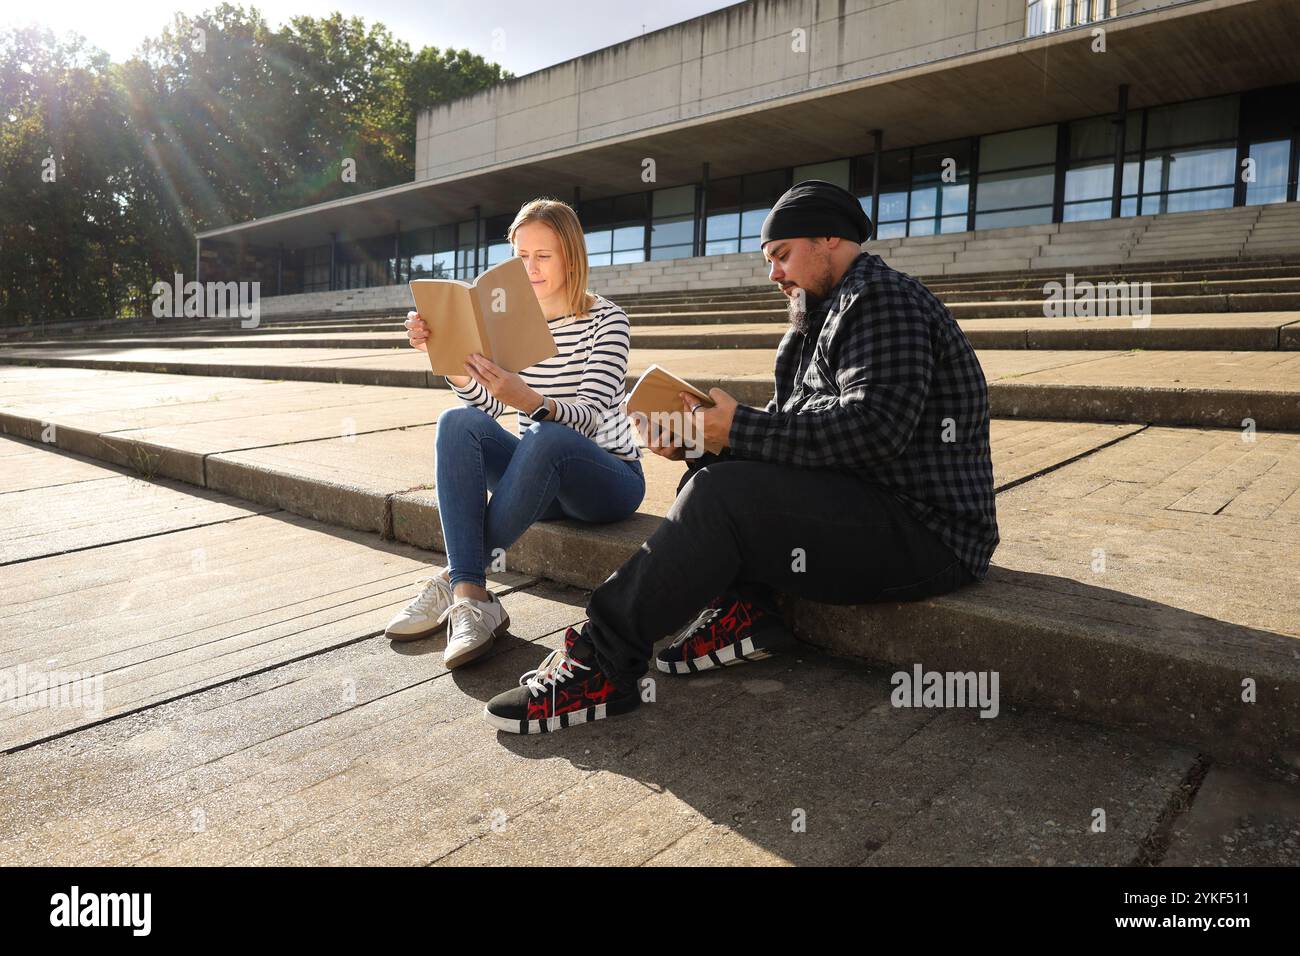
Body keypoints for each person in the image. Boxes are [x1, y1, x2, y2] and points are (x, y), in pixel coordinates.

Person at [482, 180, 1000, 734]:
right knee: (713, 471)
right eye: (768, 259)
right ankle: (748, 612)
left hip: (930, 533)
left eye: (781, 255)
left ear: (831, 238)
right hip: (873, 507)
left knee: (720, 493)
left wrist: (739, 425)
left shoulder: (882, 300)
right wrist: (702, 438)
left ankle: (601, 665)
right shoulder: (811, 324)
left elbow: (874, 431)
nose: (773, 273)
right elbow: (788, 437)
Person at [384, 198, 645, 668]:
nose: (531, 268)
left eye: (543, 256)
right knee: (457, 421)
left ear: (571, 255)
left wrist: (530, 401)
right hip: (539, 482)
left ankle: (457, 581)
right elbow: (488, 404)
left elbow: (588, 414)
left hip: (607, 480)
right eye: (521, 256)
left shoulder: (609, 321)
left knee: (545, 435)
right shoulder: (507, 322)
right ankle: (471, 595)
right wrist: (449, 357)